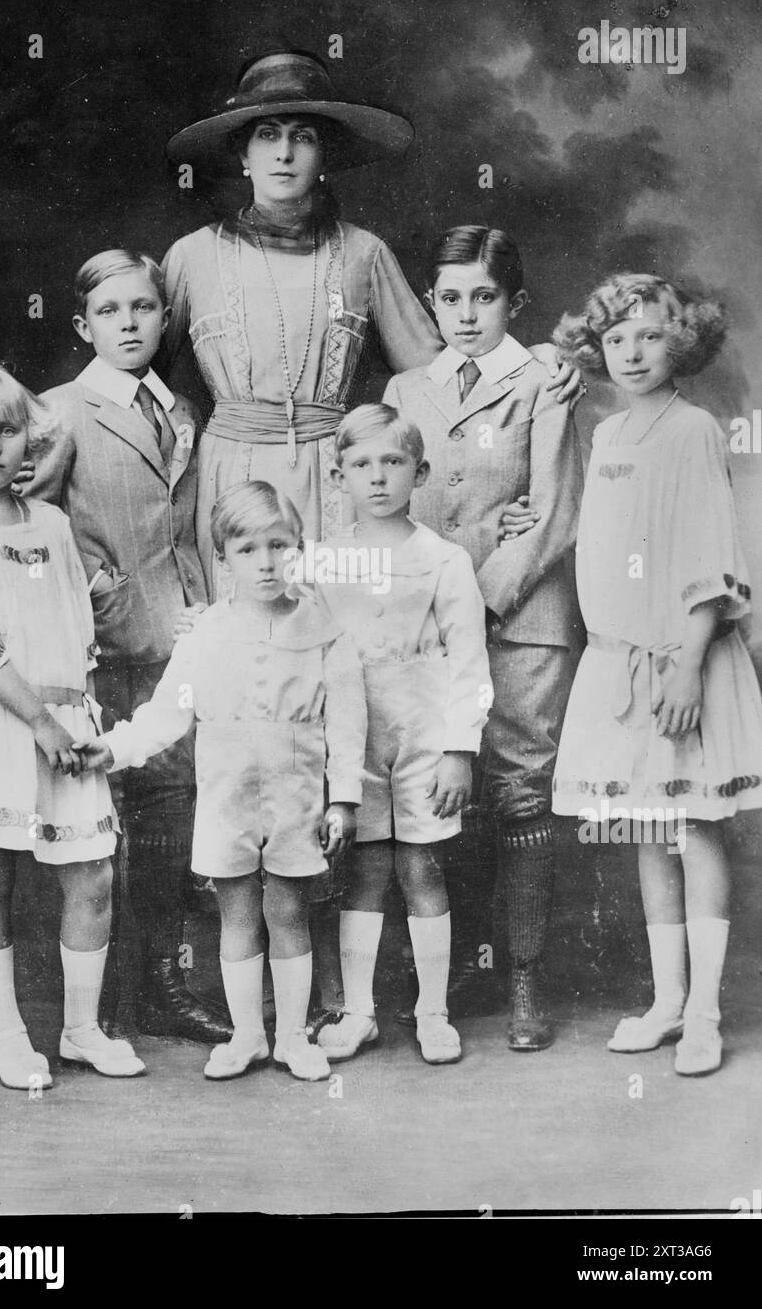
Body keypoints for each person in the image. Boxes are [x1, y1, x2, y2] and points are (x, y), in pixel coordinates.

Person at [162, 47, 582, 1024]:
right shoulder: (190, 259)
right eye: (267, 132)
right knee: (236, 706)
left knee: (331, 711)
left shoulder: (364, 255)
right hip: (234, 481)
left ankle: (324, 980)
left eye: (304, 134)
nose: (284, 151)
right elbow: (138, 371)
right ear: (239, 150)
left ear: (328, 155)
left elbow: (443, 378)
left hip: (339, 494)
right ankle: (206, 966)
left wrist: (551, 376)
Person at [75, 481, 367, 1082]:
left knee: (288, 912)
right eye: (248, 549)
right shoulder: (205, 635)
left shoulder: (325, 632)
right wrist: (113, 747)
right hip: (227, 800)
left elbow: (347, 723)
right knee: (237, 916)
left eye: (280, 546)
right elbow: (166, 713)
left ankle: (292, 1037)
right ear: (223, 558)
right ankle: (247, 1036)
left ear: (299, 550)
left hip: (296, 800)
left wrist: (343, 801)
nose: (266, 562)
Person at [551, 273, 762, 1076]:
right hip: (618, 665)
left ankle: (705, 1010)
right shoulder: (606, 435)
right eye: (615, 339)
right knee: (644, 829)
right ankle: (665, 1000)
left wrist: (684, 663)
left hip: (684, 661)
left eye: (647, 335)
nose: (631, 352)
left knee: (695, 827)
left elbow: (710, 552)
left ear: (678, 341)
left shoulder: (693, 429)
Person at [20, 249, 231, 1044]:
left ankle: (161, 985)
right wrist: (91, 587)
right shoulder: (61, 410)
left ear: (164, 317)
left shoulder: (179, 410)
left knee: (168, 812)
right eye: (110, 312)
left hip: (174, 642)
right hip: (101, 648)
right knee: (102, 826)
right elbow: (24, 526)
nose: (130, 323)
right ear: (82, 326)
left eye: (143, 308)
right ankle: (102, 1001)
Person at [0, 366, 144, 1088]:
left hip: (60, 720)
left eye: (7, 430)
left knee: (91, 875)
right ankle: (8, 1037)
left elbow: (73, 623)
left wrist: (76, 712)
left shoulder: (50, 524)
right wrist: (38, 719)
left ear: (29, 439)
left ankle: (79, 1029)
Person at [384, 226, 583, 1051]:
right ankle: (466, 963)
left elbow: (555, 510)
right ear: (431, 299)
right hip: (432, 629)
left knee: (518, 789)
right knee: (443, 795)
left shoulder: (543, 380)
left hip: (522, 619)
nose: (466, 314)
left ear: (515, 302)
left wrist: (479, 586)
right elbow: (402, 505)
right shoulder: (406, 389)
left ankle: (526, 977)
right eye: (451, 296)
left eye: (485, 297)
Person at [311, 404, 492, 1065]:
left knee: (419, 864)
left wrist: (458, 750)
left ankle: (432, 1012)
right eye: (361, 465)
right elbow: (307, 649)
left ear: (418, 472)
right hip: (352, 734)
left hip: (423, 729)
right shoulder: (323, 562)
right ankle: (357, 1012)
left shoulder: (443, 559)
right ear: (339, 475)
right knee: (362, 868)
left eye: (392, 463)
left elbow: (468, 660)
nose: (378, 478)